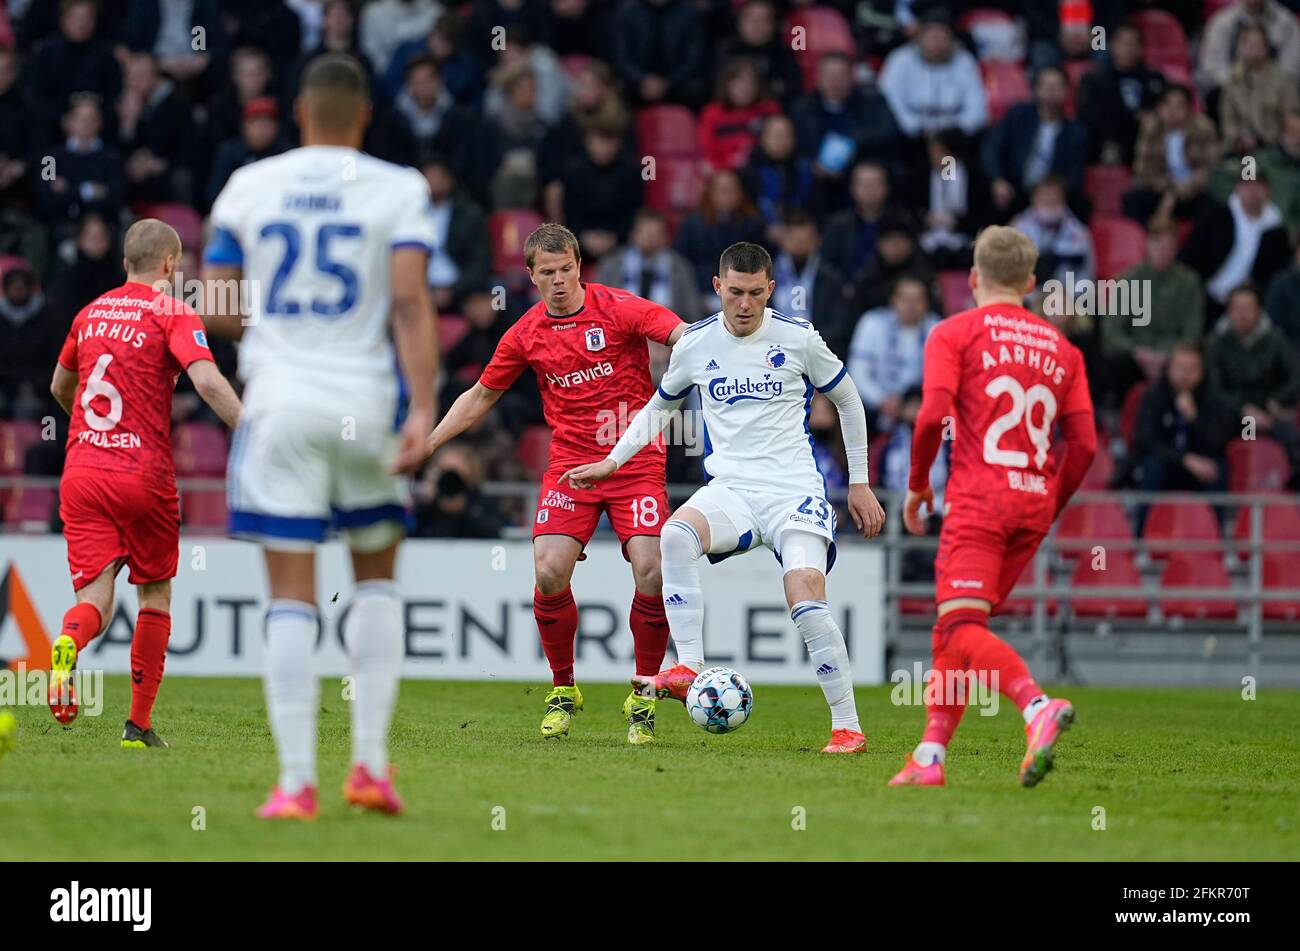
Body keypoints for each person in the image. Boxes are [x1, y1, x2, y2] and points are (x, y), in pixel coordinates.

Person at [202, 54, 439, 820]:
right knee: (376, 581)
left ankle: (295, 781)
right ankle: (369, 767)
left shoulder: (248, 185)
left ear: (299, 113)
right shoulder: (400, 187)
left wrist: (276, 320)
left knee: (290, 595)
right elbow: (408, 305)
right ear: (364, 117)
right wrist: (424, 406)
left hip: (279, 406)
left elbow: (219, 311)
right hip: (366, 406)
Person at [559, 241, 886, 754]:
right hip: (731, 491)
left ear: (771, 290)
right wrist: (612, 462)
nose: (745, 304)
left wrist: (860, 482)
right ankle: (689, 662)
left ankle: (847, 727)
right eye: (735, 292)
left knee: (806, 601)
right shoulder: (695, 343)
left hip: (793, 492)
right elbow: (659, 408)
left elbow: (847, 399)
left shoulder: (799, 339)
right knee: (675, 534)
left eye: (756, 293)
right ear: (718, 288)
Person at [420, 223, 688, 744]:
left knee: (652, 570)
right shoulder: (524, 334)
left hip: (632, 461)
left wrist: (702, 359)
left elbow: (680, 334)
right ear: (531, 276)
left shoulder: (618, 308)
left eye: (567, 268)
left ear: (580, 265)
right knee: (548, 571)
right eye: (548, 273)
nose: (560, 280)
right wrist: (427, 445)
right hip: (571, 467)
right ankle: (563, 689)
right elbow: (479, 396)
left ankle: (643, 695)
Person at [894, 225, 1097, 788]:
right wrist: (1049, 502)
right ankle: (929, 757)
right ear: (1030, 283)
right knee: (952, 629)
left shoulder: (954, 332)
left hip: (979, 500)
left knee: (959, 626)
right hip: (1032, 501)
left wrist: (917, 485)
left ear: (974, 278)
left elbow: (932, 413)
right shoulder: (1065, 350)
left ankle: (1036, 707)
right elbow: (1085, 446)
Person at [46, 219, 242, 748]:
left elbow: (60, 386)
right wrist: (250, 430)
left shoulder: (88, 313)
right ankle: (138, 725)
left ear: (124, 262)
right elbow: (205, 380)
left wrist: (89, 433)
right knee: (154, 593)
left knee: (95, 598)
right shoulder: (173, 311)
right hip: (144, 474)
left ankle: (69, 640)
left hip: (82, 471)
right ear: (172, 265)